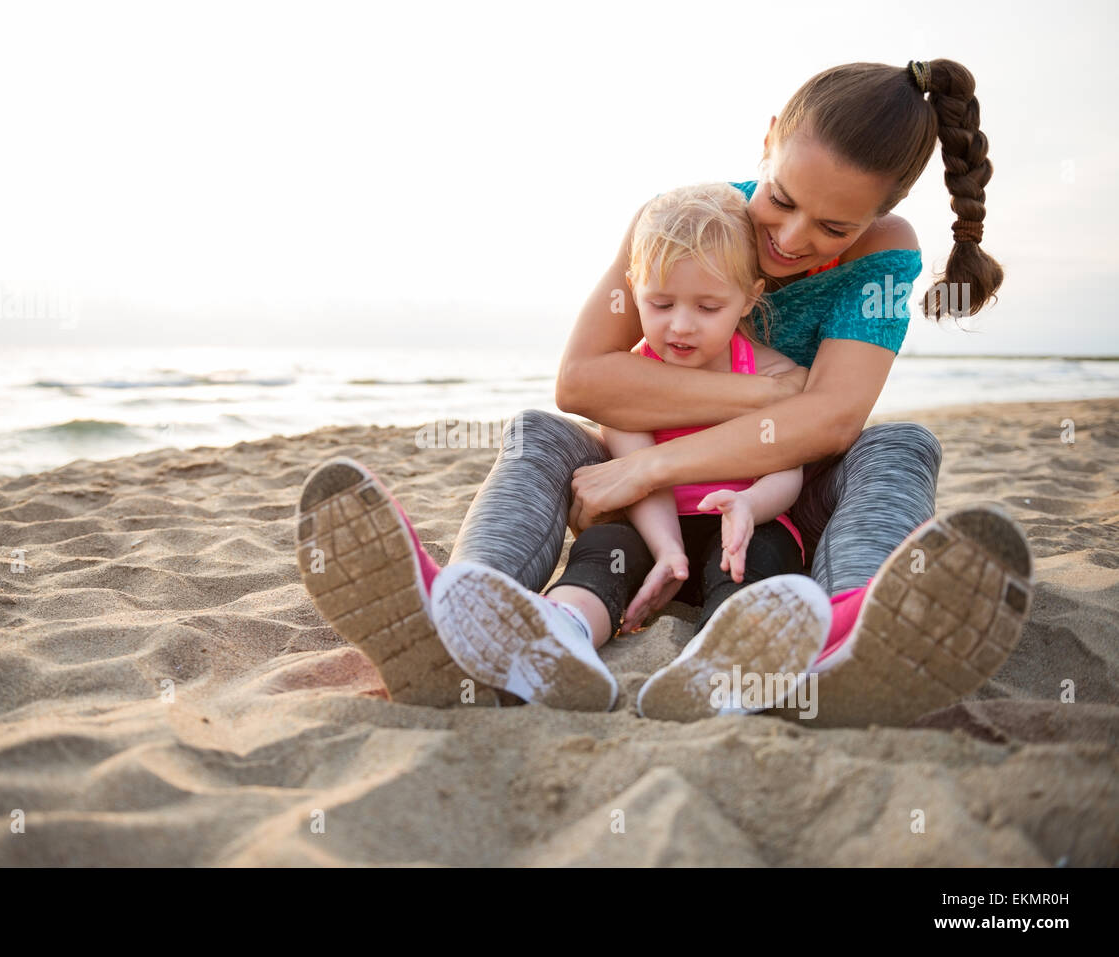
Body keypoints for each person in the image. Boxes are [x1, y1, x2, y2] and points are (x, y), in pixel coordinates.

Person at [294, 59, 1035, 727]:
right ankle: (471, 613)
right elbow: (584, 380)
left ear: (880, 213)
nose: (789, 236)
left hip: (773, 512)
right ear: (771, 137)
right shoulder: (679, 224)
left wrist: (651, 465)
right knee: (538, 430)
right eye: (782, 198)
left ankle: (850, 634)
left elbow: (835, 420)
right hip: (639, 511)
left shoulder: (884, 255)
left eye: (834, 225)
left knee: (899, 444)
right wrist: (770, 399)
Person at [429, 182, 833, 717]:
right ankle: (561, 634)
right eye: (660, 303)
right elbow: (638, 477)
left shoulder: (775, 375)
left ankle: (725, 660)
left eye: (709, 307)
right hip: (652, 521)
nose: (681, 325)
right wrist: (666, 550)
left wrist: (748, 507)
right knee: (603, 553)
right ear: (633, 290)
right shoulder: (628, 380)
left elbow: (787, 468)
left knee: (753, 560)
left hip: (746, 522)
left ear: (749, 299)